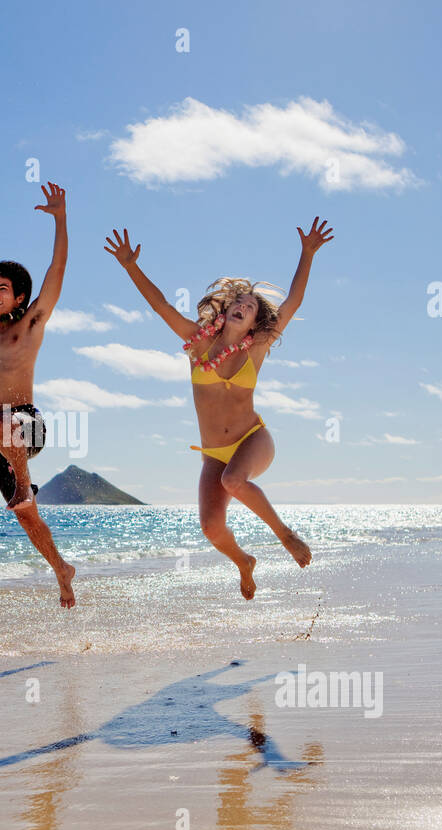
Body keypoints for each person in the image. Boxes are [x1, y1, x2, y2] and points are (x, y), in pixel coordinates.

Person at [104, 217, 334, 599]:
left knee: (234, 481)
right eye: (238, 302)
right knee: (211, 528)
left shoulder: (256, 350)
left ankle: (286, 536)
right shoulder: (197, 343)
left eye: (250, 307)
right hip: (214, 453)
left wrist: (307, 254)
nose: (242, 306)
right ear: (226, 312)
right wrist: (131, 266)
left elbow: (292, 303)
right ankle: (244, 562)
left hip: (252, 440)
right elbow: (161, 306)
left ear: (255, 325)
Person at [0, 183, 77, 608]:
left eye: (2, 288)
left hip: (27, 422)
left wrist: (60, 218)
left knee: (7, 427)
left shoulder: (30, 326)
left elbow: (57, 270)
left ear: (19, 296)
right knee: (26, 516)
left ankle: (25, 485)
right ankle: (61, 569)